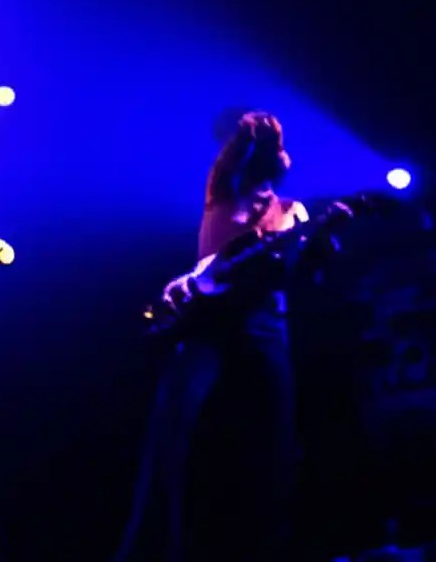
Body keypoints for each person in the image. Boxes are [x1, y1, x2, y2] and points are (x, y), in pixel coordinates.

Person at [113, 111, 309, 562]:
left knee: (272, 436)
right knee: (175, 430)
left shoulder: (291, 211)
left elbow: (291, 266)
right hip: (207, 324)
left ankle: (263, 539)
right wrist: (251, 132)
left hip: (263, 328)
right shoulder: (222, 194)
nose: (261, 185)